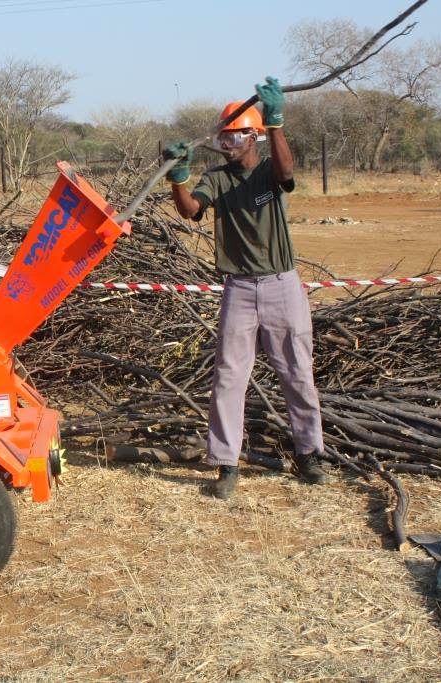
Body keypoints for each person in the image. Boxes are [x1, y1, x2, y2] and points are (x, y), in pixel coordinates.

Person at [162, 76, 328, 499]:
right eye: (225, 135)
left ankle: (309, 454)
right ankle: (226, 464)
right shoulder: (217, 178)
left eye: (236, 134)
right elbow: (190, 210)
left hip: (282, 284)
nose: (228, 141)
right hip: (238, 288)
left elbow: (288, 170)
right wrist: (178, 176)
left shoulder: (271, 171)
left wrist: (276, 122)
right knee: (229, 376)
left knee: (297, 373)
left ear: (252, 135)